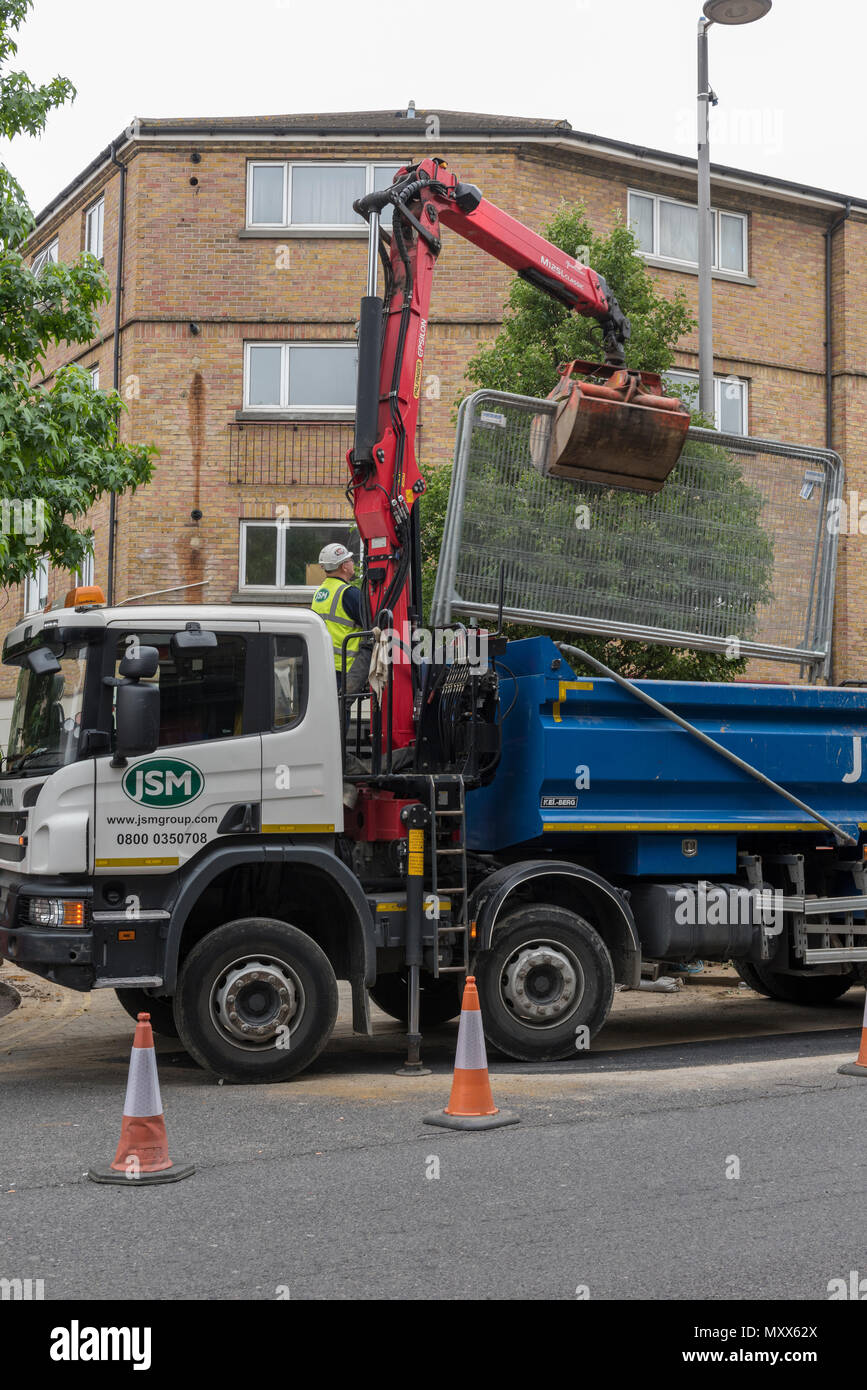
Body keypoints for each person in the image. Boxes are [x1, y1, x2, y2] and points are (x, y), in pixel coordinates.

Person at [311, 543, 363, 707]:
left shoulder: (320, 592)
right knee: (340, 715)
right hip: (344, 669)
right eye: (350, 560)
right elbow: (373, 624)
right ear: (343, 566)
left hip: (323, 665)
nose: (352, 563)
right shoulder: (349, 594)